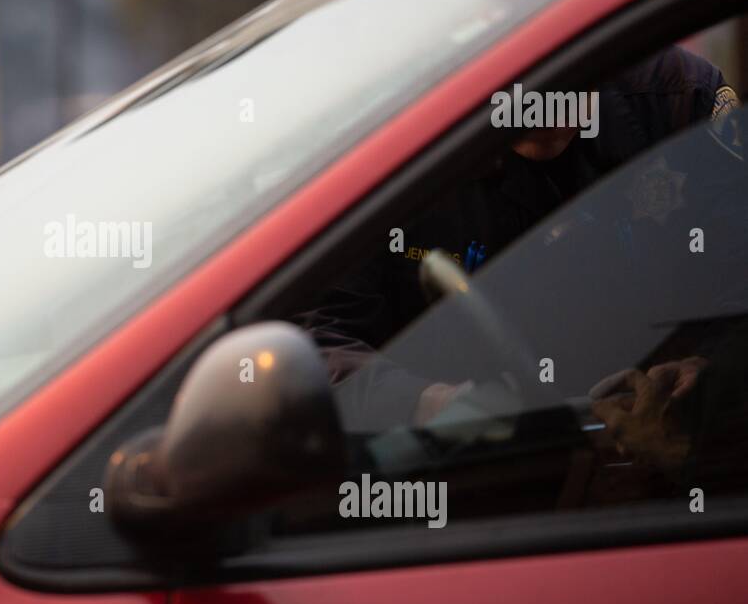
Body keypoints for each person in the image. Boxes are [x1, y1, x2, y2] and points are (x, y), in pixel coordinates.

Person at [296, 44, 738, 429]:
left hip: (670, 462)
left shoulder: (679, 100)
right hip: (483, 476)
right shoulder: (393, 150)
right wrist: (429, 403)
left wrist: (712, 368)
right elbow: (318, 342)